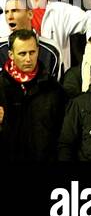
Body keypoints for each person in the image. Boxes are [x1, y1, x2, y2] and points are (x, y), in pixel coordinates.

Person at [0, 28, 64, 161]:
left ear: (38, 52)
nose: (28, 59)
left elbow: (63, 135)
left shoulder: (53, 88)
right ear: (11, 55)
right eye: (22, 54)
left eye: (32, 52)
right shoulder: (1, 87)